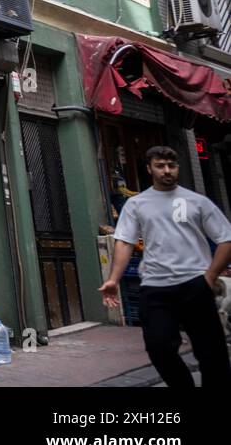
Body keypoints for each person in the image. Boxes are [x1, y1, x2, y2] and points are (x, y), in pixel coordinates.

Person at [99, 145, 231, 388]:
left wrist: (209, 276)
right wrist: (113, 279)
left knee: (212, 354)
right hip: (155, 287)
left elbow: (226, 238)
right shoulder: (137, 204)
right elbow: (125, 242)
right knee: (158, 347)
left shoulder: (196, 201)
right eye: (160, 166)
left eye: (172, 166)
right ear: (149, 169)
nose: (167, 171)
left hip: (195, 284)